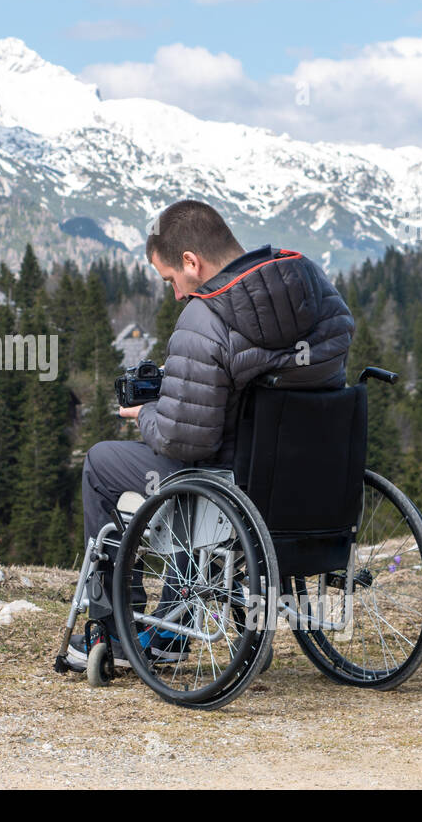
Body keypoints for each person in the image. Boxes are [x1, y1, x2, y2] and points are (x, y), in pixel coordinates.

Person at [68, 199, 355, 669]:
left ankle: (117, 630)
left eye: (170, 281)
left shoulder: (203, 320)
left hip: (232, 488)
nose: (176, 294)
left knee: (105, 462)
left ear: (190, 262)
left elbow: (187, 441)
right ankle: (169, 624)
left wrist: (147, 414)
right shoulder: (317, 292)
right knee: (197, 470)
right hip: (311, 485)